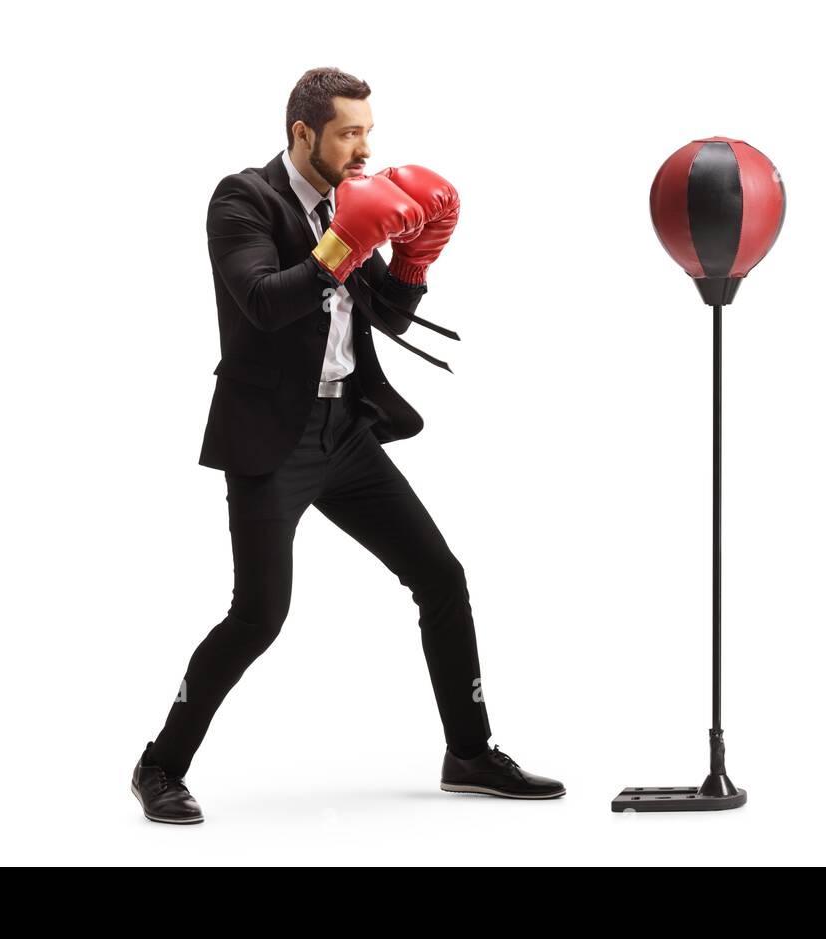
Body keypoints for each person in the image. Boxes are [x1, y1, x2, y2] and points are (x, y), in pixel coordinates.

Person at [131, 67, 564, 824]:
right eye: (348, 133)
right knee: (258, 616)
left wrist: (415, 261)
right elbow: (262, 303)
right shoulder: (243, 199)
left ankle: (469, 752)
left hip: (347, 432)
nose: (365, 148)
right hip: (272, 439)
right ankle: (159, 765)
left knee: (440, 575)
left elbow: (385, 318)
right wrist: (339, 244)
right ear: (303, 133)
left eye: (369, 131)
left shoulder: (349, 201)